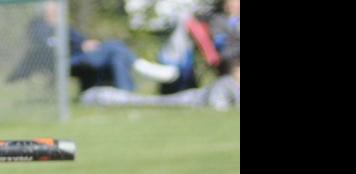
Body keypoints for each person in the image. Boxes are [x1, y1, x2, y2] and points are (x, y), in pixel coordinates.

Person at [6, 2, 176, 93]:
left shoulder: (63, 27)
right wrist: (80, 46)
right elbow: (48, 46)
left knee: (115, 52)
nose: (56, 13)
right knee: (114, 47)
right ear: (45, 12)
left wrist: (86, 43)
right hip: (70, 60)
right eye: (52, 11)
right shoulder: (39, 27)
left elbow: (80, 40)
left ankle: (126, 92)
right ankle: (140, 68)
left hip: (82, 55)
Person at [81, 54, 238, 109]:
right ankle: (98, 96)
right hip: (189, 100)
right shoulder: (227, 82)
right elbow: (217, 105)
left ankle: (98, 95)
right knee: (145, 102)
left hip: (190, 99)